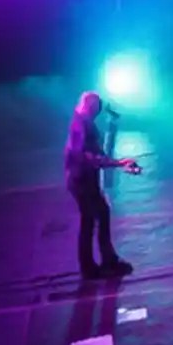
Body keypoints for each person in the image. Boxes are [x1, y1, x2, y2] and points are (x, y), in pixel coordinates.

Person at [65, 91, 138, 279]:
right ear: (90, 106)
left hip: (85, 178)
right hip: (81, 179)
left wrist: (118, 163)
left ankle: (105, 260)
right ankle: (91, 266)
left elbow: (96, 153)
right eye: (96, 107)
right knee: (90, 220)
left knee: (98, 215)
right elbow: (81, 153)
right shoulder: (80, 124)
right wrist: (116, 163)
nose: (98, 110)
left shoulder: (85, 122)